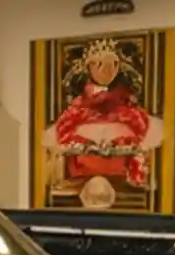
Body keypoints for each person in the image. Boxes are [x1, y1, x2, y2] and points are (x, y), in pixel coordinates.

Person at [49, 38, 159, 187]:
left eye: (113, 64)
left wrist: (124, 142)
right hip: (82, 173)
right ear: (88, 68)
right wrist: (85, 143)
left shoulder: (127, 105)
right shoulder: (79, 107)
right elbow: (63, 133)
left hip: (120, 172)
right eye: (97, 64)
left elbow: (141, 131)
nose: (106, 70)